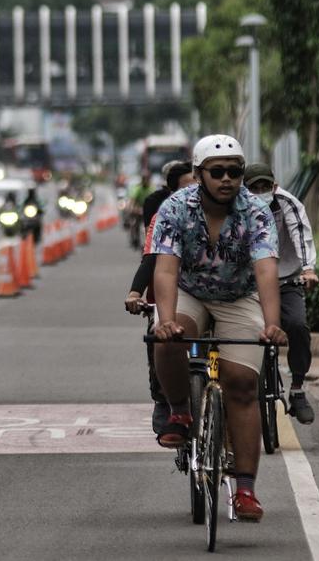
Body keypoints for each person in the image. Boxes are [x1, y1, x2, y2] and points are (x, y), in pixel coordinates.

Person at [140, 133, 286, 522]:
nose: (227, 179)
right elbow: (166, 268)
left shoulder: (255, 211)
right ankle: (179, 412)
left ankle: (246, 491)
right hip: (189, 291)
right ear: (199, 173)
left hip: (238, 296)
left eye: (234, 172)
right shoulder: (175, 207)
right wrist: (167, 320)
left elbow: (266, 268)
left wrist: (273, 325)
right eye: (217, 172)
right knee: (168, 337)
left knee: (241, 382)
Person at [244, 163, 319, 424]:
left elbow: (300, 233)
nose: (261, 192)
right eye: (255, 188)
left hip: (286, 278)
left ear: (274, 186)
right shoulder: (236, 207)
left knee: (298, 326)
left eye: (266, 186)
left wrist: (308, 269)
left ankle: (298, 390)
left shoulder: (288, 203)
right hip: (249, 284)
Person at [124, 159, 195, 434]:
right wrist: (135, 292)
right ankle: (165, 402)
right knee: (160, 337)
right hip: (168, 290)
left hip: (210, 294)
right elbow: (152, 257)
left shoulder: (232, 210)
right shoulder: (164, 213)